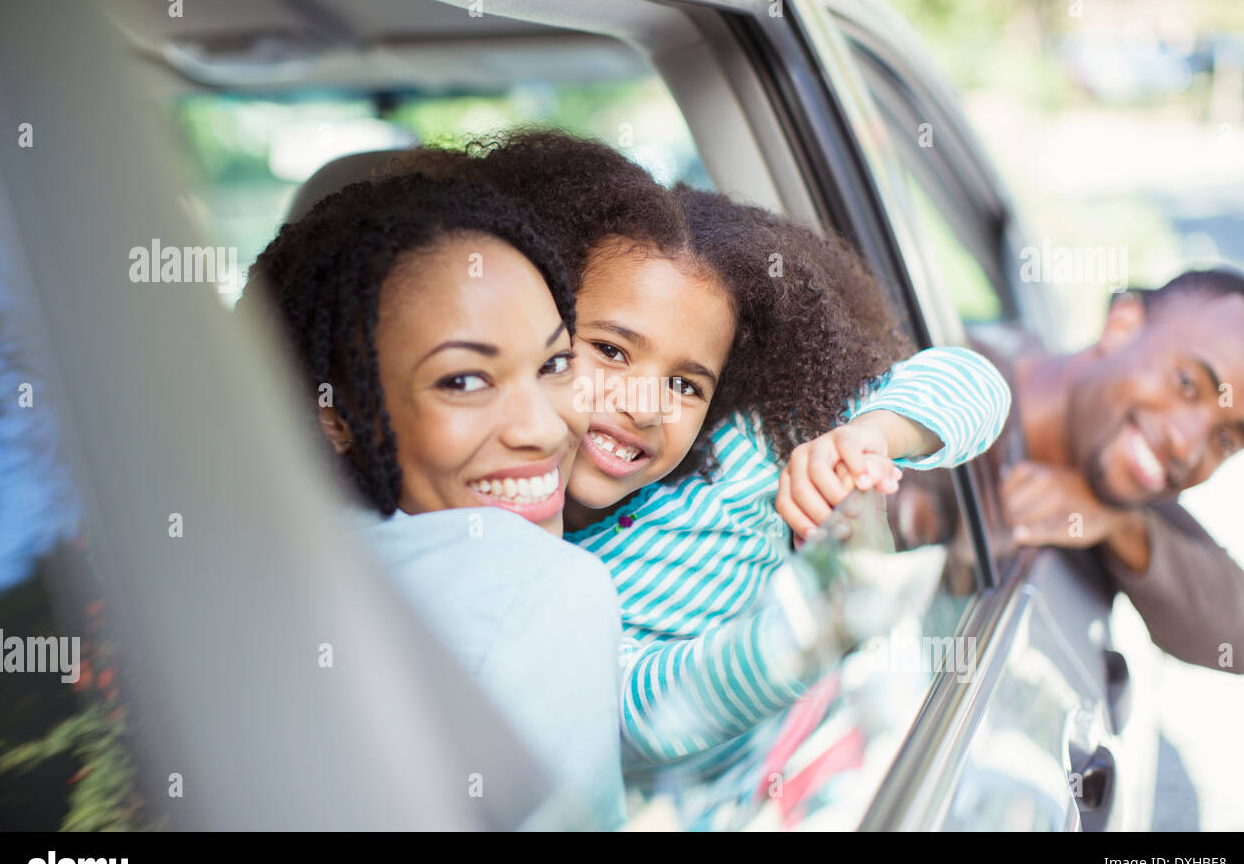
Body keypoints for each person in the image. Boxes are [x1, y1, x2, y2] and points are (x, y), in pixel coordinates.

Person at [400, 131, 1011, 782]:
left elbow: (979, 387)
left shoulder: (754, 449)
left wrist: (874, 437)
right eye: (610, 350)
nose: (645, 406)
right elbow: (637, 711)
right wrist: (791, 640)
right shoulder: (474, 530)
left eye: (686, 384)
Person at [244, 173, 627, 828]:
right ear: (334, 415)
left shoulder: (243, 574)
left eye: (555, 364)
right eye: (464, 381)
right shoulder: (540, 591)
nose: (541, 428)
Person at [972, 268, 1244, 674]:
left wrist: (1120, 528)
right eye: (1187, 383)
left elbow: (1230, 637)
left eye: (1224, 440)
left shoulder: (1123, 498)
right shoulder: (941, 379)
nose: (1186, 446)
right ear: (1122, 325)